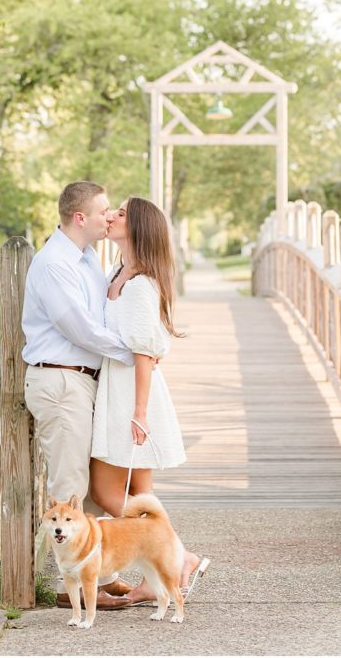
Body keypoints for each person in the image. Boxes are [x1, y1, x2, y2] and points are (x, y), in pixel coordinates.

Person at [21, 181, 135, 610]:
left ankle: (97, 578)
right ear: (80, 217)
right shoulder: (54, 263)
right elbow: (78, 327)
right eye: (104, 210)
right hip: (60, 381)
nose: (110, 216)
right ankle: (65, 587)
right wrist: (131, 353)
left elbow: (102, 314)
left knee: (85, 489)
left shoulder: (88, 258)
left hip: (84, 380)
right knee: (68, 488)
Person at [90, 195, 208, 606]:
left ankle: (180, 558)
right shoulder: (118, 271)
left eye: (120, 213)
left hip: (130, 395)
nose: (111, 216)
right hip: (118, 387)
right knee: (143, 501)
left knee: (106, 493)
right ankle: (171, 566)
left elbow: (144, 350)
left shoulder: (140, 286)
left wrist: (139, 413)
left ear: (137, 227)